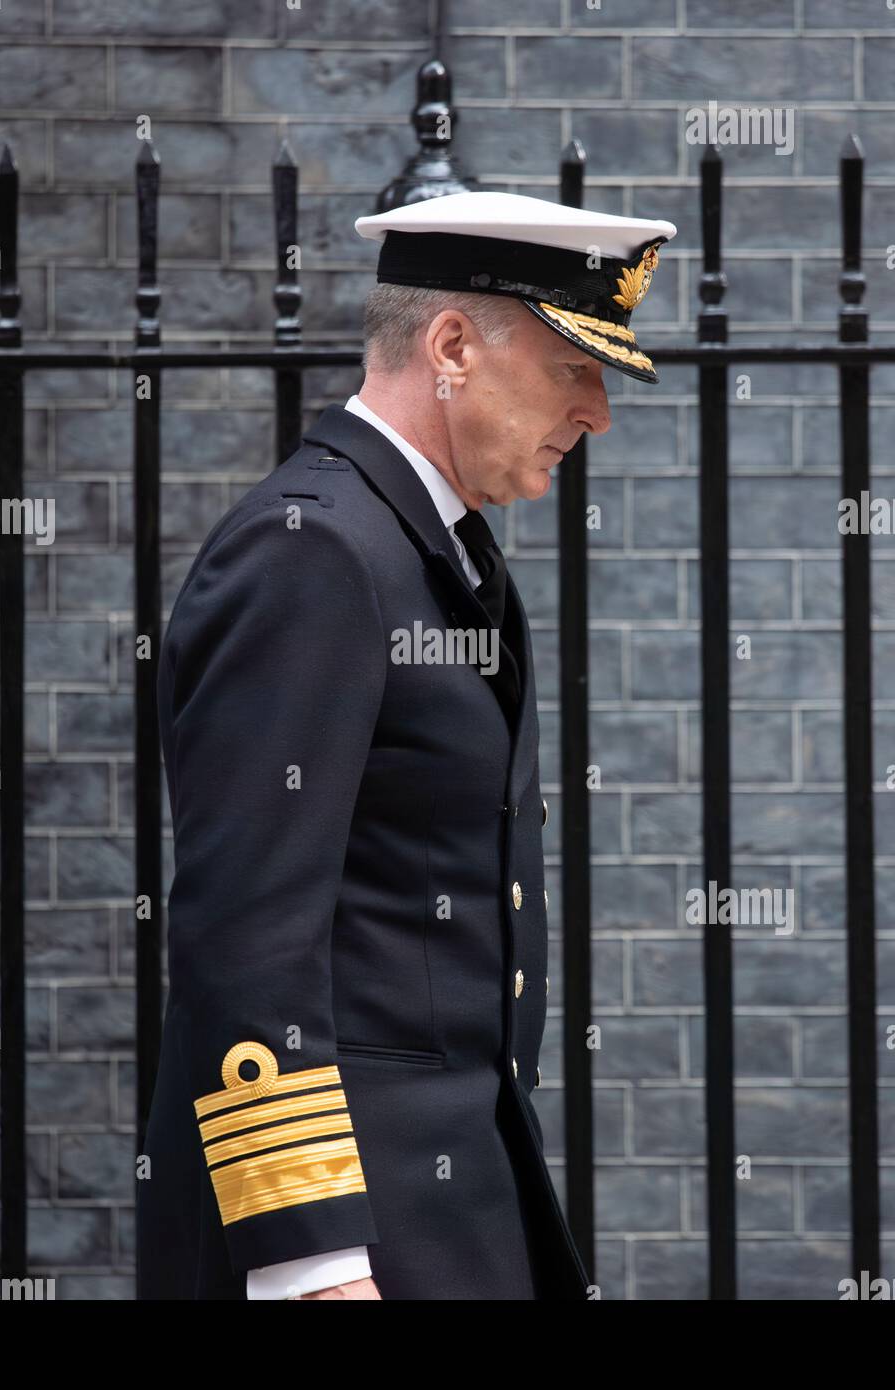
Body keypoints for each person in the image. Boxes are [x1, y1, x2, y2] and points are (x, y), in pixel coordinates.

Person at [137, 190, 676, 1299]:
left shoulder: (427, 547)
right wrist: (311, 1260)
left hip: (442, 1208)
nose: (598, 411)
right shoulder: (315, 553)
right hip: (347, 1237)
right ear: (450, 346)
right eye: (576, 367)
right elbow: (245, 931)